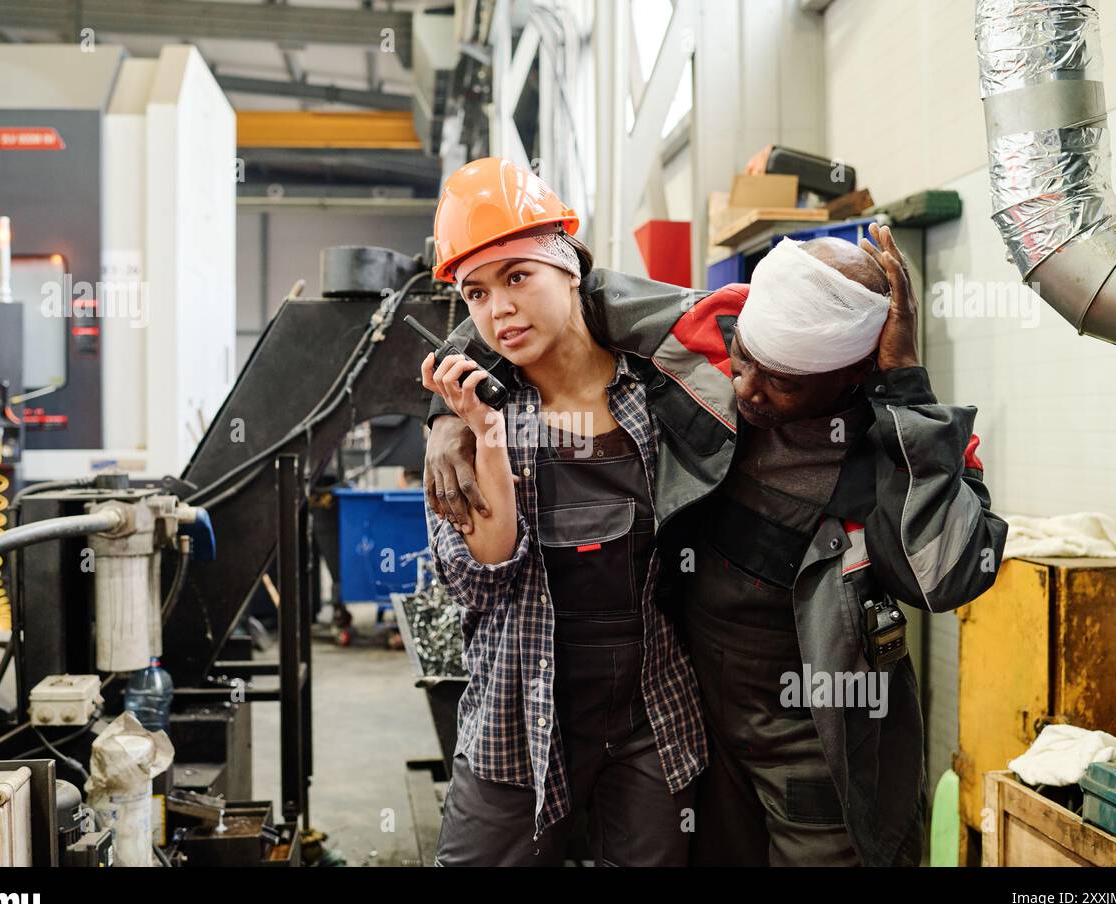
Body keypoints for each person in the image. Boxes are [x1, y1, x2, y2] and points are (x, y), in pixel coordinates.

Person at [425, 221, 1008, 866]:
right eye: (747, 357)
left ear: (850, 374)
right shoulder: (710, 338)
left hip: (816, 744)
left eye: (780, 379)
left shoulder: (905, 444)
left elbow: (943, 577)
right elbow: (551, 292)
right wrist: (448, 414)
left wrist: (905, 390)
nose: (746, 387)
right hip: (700, 729)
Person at [420, 156, 707, 866]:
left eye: (518, 277)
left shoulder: (659, 397)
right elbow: (479, 580)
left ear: (570, 268)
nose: (500, 309)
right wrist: (484, 438)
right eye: (477, 293)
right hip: (514, 719)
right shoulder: (470, 422)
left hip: (652, 715)